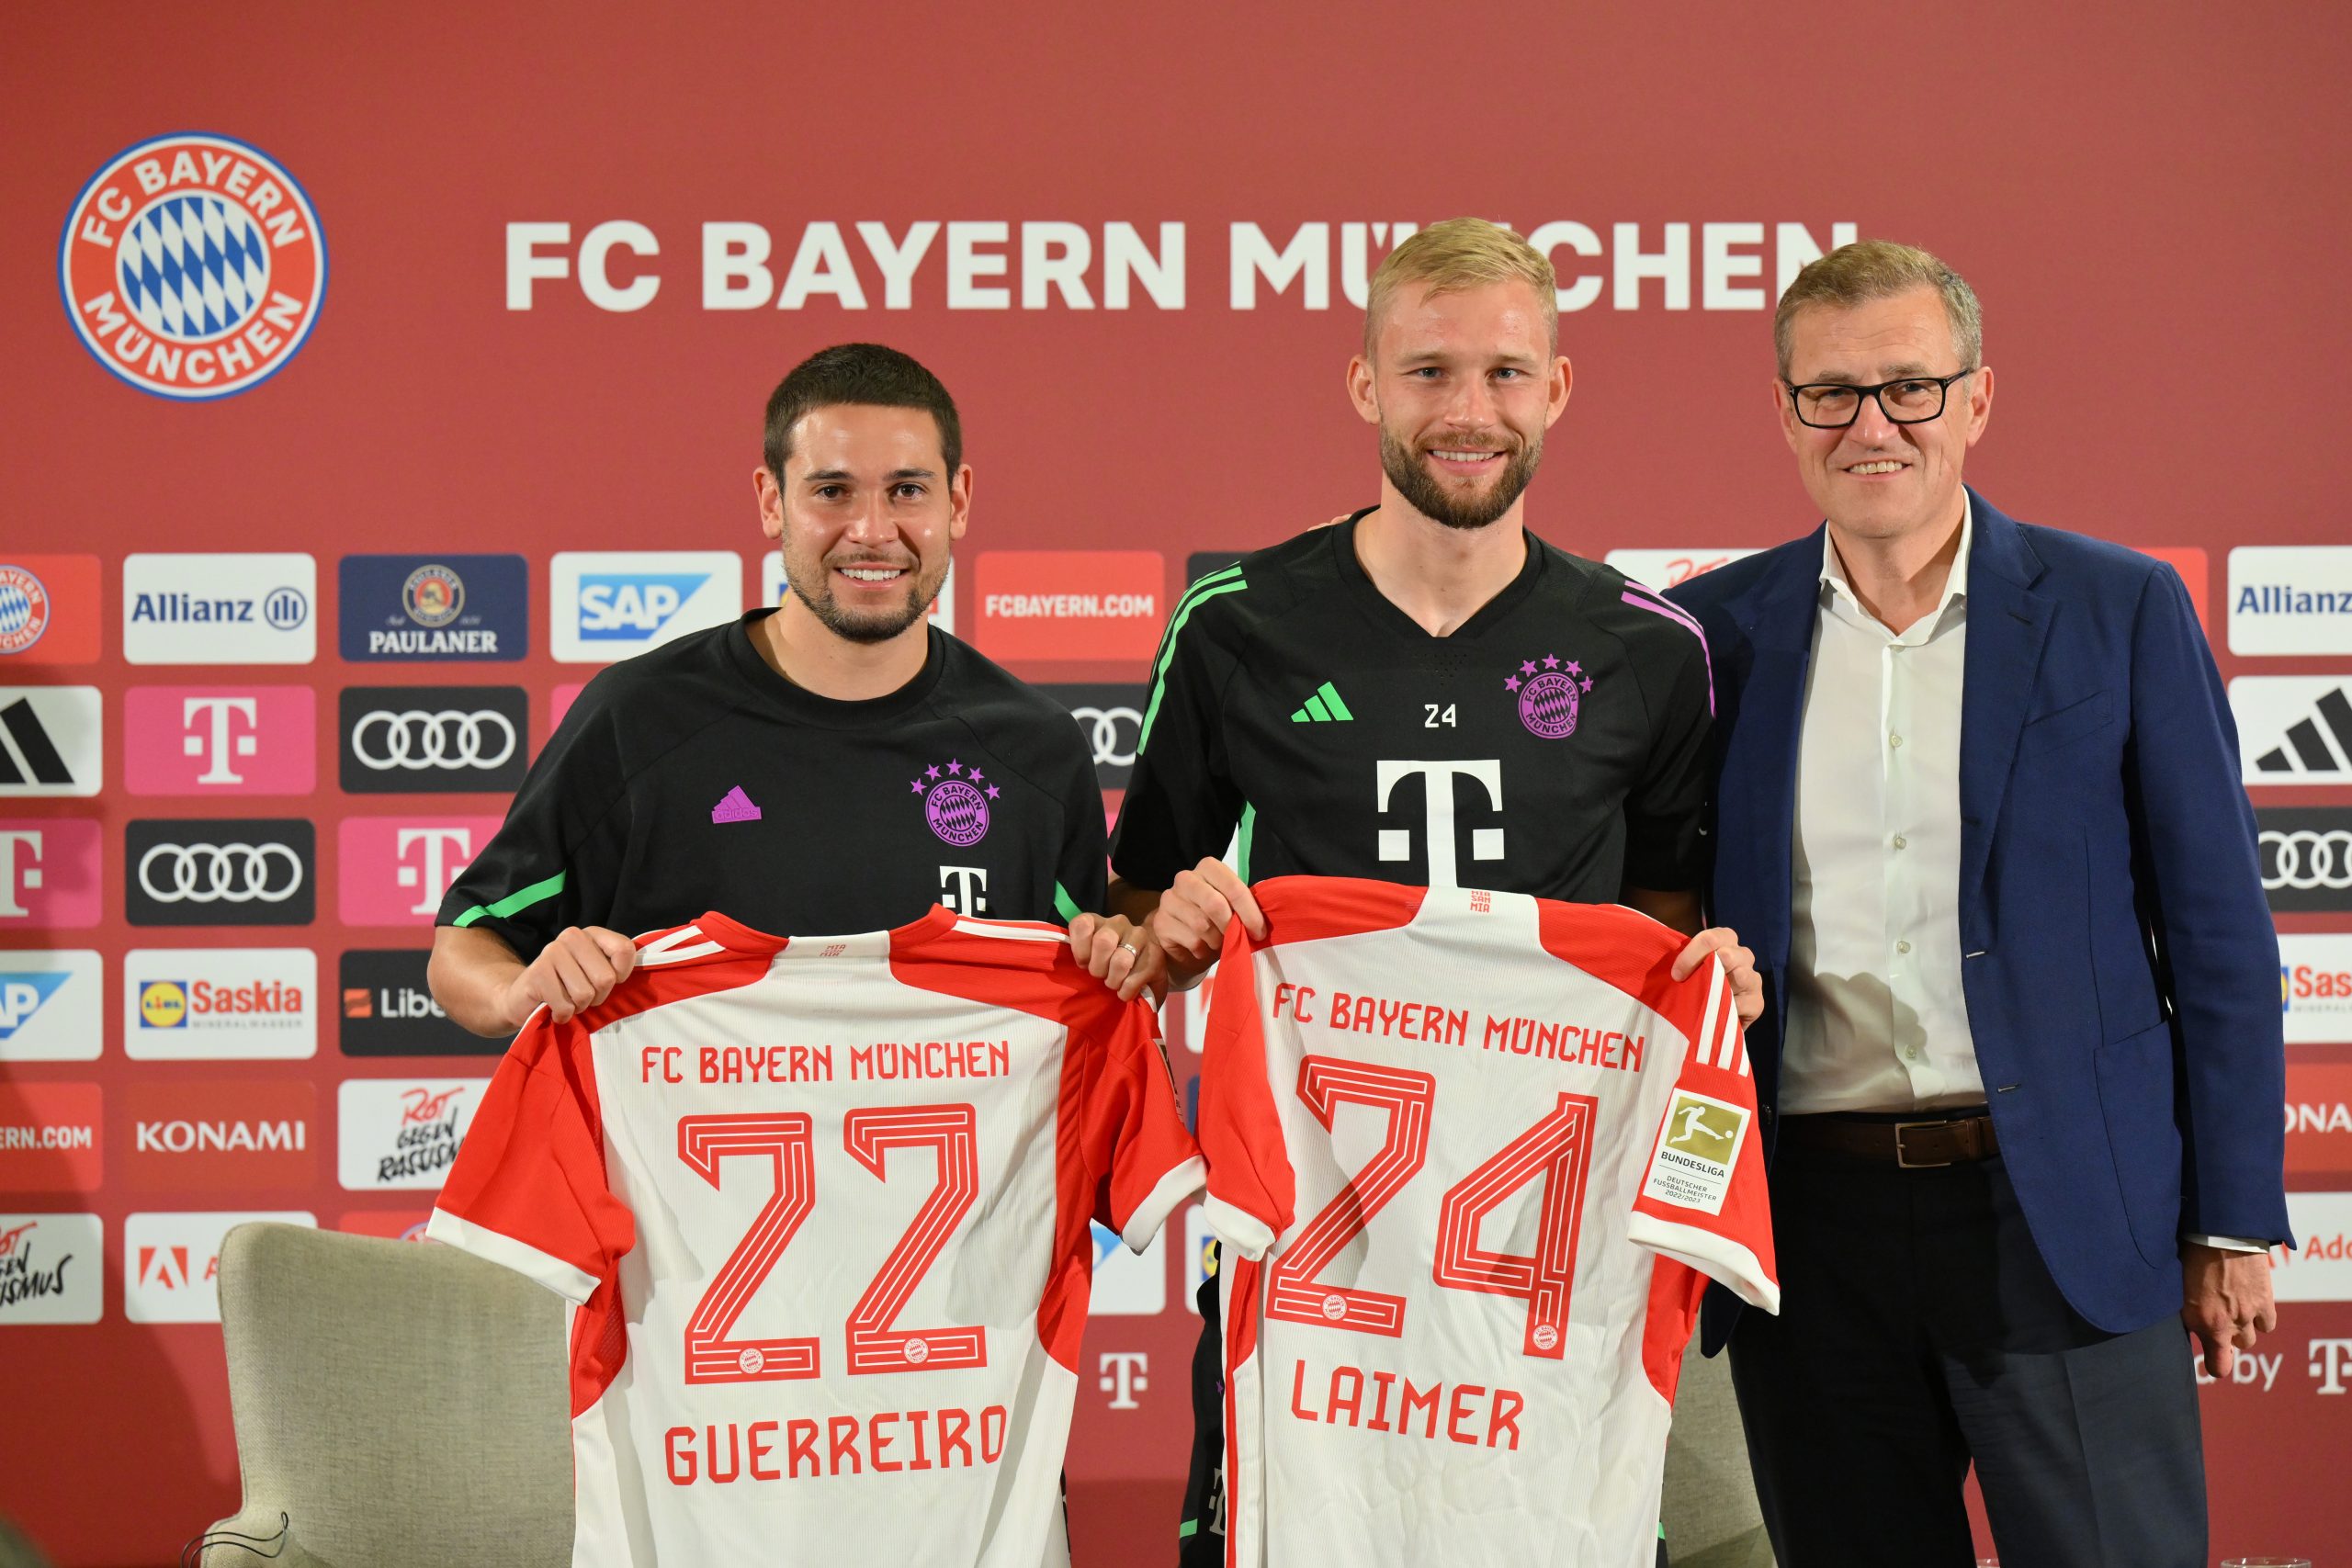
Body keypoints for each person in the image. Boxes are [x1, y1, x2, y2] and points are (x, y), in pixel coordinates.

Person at [1096, 216, 1762, 1566]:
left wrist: (1711, 984)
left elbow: (1668, 926)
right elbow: (1130, 910)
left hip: (1545, 1248)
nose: (1469, 411)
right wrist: (1168, 934)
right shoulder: (1236, 624)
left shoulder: (1647, 649)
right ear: (1365, 384)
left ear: (1556, 388)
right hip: (1310, 1231)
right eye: (1429, 371)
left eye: (1506, 372)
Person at [1665, 240, 2290, 1567]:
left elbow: (2219, 939)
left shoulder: (2118, 608)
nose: (1871, 426)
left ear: (1978, 398)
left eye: (1910, 388)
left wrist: (2231, 1215)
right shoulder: (1709, 635)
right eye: (1830, 393)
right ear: (1784, 411)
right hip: (1808, 1235)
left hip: (2064, 1215)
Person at [430, 343, 1138, 1035]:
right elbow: (467, 941)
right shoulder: (637, 718)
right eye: (832, 491)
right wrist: (517, 990)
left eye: (907, 490)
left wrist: (1125, 953)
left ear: (957, 501)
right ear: (773, 502)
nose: (872, 531)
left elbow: (1090, 987)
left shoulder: (1035, 750)